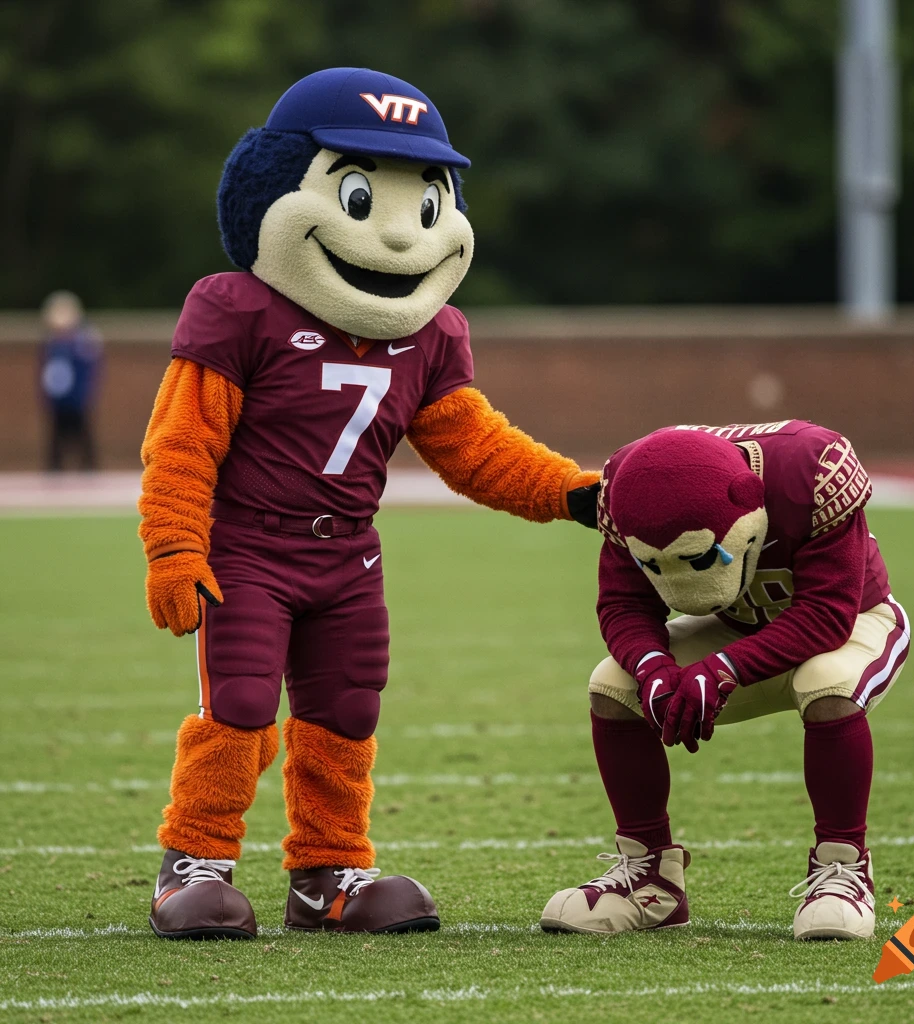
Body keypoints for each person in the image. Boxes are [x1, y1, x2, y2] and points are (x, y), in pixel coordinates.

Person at [138, 68, 599, 940]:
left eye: (424, 205)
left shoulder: (430, 336)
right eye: (361, 195)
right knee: (237, 704)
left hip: (348, 554)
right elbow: (183, 441)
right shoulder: (238, 309)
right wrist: (174, 547)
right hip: (248, 547)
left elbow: (474, 446)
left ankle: (328, 871)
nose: (394, 234)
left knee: (346, 712)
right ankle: (194, 860)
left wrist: (571, 491)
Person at [540, 420, 910, 941]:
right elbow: (624, 605)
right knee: (614, 683)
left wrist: (722, 670)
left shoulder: (811, 469)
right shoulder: (630, 484)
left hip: (854, 623)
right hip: (736, 627)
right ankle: (651, 881)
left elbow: (828, 614)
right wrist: (653, 670)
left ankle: (843, 869)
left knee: (827, 681)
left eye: (700, 558)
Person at [39, 291, 103, 471]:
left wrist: (85, 395)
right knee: (56, 437)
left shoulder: (83, 341)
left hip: (77, 398)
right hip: (58, 400)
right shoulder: (51, 344)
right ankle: (54, 469)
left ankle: (89, 469)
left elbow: (90, 371)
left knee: (83, 435)